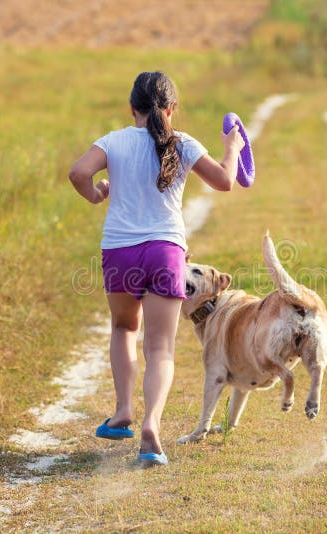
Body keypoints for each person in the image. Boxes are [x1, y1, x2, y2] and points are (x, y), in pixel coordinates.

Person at [68, 71, 244, 466]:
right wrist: (232, 147)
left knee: (124, 328)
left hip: (120, 252)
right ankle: (151, 426)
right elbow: (226, 181)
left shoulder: (113, 141)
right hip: (165, 252)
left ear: (132, 108)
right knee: (160, 347)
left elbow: (78, 173)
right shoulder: (182, 143)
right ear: (171, 109)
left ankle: (122, 411)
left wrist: (97, 194)